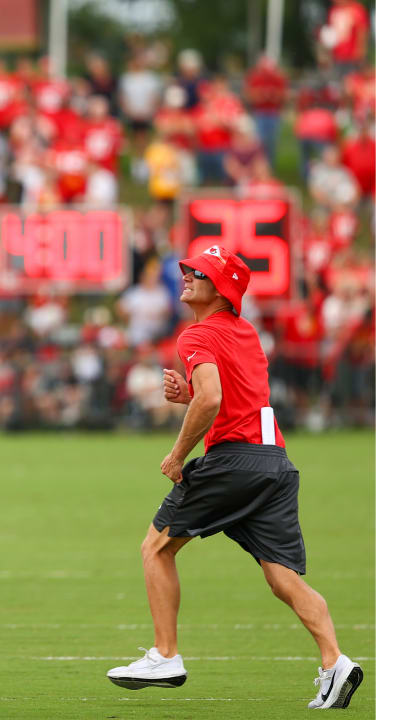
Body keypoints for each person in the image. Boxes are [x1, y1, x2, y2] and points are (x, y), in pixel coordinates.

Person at [106, 245, 362, 710]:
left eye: (197, 272)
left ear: (220, 288)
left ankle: (165, 656)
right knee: (283, 578)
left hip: (235, 463)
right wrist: (190, 396)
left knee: (156, 547)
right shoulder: (245, 333)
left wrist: (177, 453)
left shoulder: (195, 335)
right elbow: (229, 400)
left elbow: (212, 400)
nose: (185, 275)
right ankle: (335, 662)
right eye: (187, 269)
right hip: (275, 463)